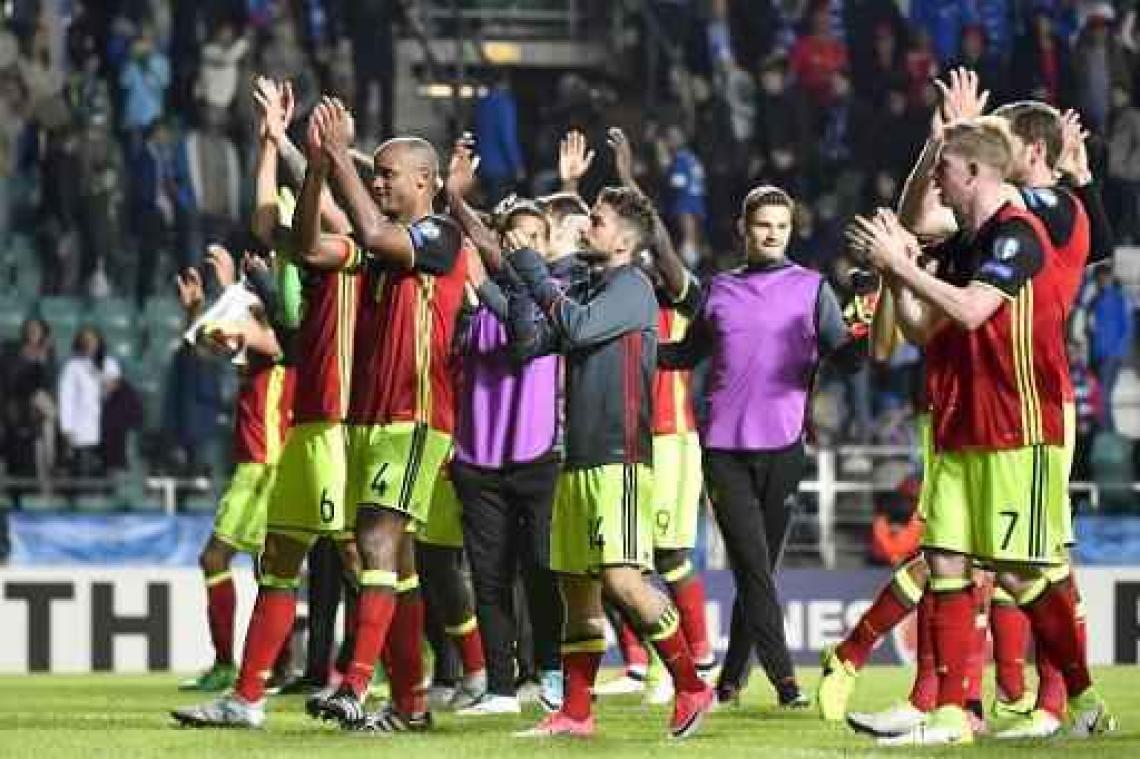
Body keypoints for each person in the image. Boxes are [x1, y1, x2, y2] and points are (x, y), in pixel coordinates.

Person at [852, 117, 1114, 746]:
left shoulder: (1020, 237)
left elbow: (971, 311)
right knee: (945, 560)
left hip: (1017, 424)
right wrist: (895, 272)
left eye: (945, 167)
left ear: (972, 172)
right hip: (961, 423)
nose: (937, 179)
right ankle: (949, 715)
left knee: (1021, 573)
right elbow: (917, 331)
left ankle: (1081, 696)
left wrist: (904, 266)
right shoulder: (970, 240)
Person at [493, 185, 715, 739]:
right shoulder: (592, 286)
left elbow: (576, 328)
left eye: (596, 219)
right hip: (579, 460)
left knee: (622, 581)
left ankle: (691, 685)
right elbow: (535, 341)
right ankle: (576, 712)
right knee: (578, 589)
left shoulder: (634, 288)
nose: (587, 227)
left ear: (623, 240)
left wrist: (530, 268)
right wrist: (520, 274)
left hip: (620, 461)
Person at [172, 82, 362, 730]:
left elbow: (331, 221)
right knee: (279, 560)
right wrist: (268, 142)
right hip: (306, 425)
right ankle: (247, 697)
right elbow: (263, 219)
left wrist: (311, 154)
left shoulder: (356, 246)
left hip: (339, 420)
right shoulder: (296, 258)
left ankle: (390, 688)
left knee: (370, 561)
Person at [659, 185, 864, 709]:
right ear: (743, 230)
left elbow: (850, 362)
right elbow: (685, 355)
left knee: (758, 575)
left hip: (784, 449)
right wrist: (633, 346)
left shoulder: (812, 288)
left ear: (790, 231)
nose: (772, 233)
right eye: (763, 225)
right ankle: (786, 682)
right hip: (724, 452)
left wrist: (868, 321)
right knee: (752, 568)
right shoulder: (718, 290)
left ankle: (728, 682)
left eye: (781, 226)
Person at [302, 100, 466, 734]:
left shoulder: (438, 236)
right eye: (377, 173)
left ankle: (353, 686)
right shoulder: (381, 250)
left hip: (415, 414)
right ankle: (412, 705)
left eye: (389, 174)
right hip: (368, 418)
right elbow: (307, 246)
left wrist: (342, 151)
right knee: (390, 567)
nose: (379, 181)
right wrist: (318, 168)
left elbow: (372, 232)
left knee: (374, 538)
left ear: (424, 182)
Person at [175, 245, 294, 694]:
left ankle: (230, 664)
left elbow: (239, 334)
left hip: (266, 463)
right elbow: (215, 346)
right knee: (273, 568)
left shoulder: (280, 336)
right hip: (259, 460)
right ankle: (276, 668)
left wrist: (221, 299)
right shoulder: (259, 333)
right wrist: (198, 313)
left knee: (216, 558)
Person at [58, 325, 120, 479]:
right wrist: (67, 429)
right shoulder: (72, 367)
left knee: (107, 475)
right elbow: (66, 399)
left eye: (92, 340)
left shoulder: (109, 363)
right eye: (85, 341)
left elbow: (113, 388)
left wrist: (98, 373)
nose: (89, 344)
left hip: (108, 429)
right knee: (84, 474)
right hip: (82, 430)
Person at [1088, 267, 1133, 431]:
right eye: (1098, 279)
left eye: (1103, 278)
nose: (1101, 282)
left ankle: (1107, 432)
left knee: (1103, 396)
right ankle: (1105, 431)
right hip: (1098, 354)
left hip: (1111, 355)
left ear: (1109, 278)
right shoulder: (1095, 300)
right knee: (1100, 395)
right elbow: (1092, 328)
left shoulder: (1119, 298)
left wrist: (1118, 351)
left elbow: (1128, 327)